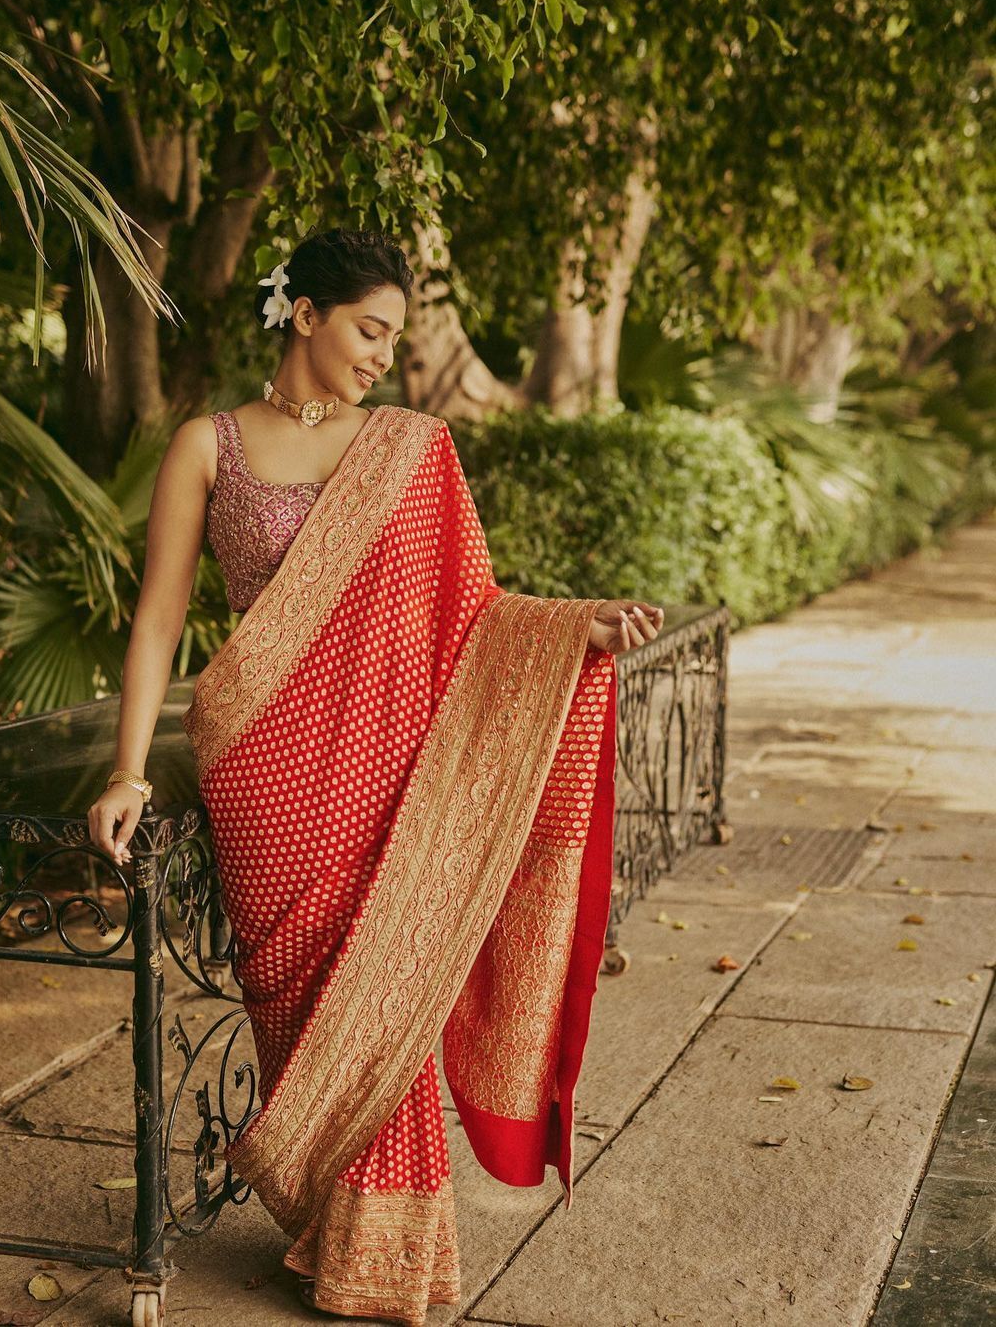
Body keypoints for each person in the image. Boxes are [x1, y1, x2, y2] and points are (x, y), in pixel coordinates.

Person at [87, 226, 663, 1325]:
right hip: (261, 763)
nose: (378, 357)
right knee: (300, 1007)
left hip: (382, 767)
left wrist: (572, 629)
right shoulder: (207, 447)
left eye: (393, 338)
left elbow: (475, 614)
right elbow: (159, 618)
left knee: (387, 989)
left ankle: (381, 1260)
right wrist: (127, 772)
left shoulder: (410, 448)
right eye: (366, 329)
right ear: (302, 313)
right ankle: (327, 1221)